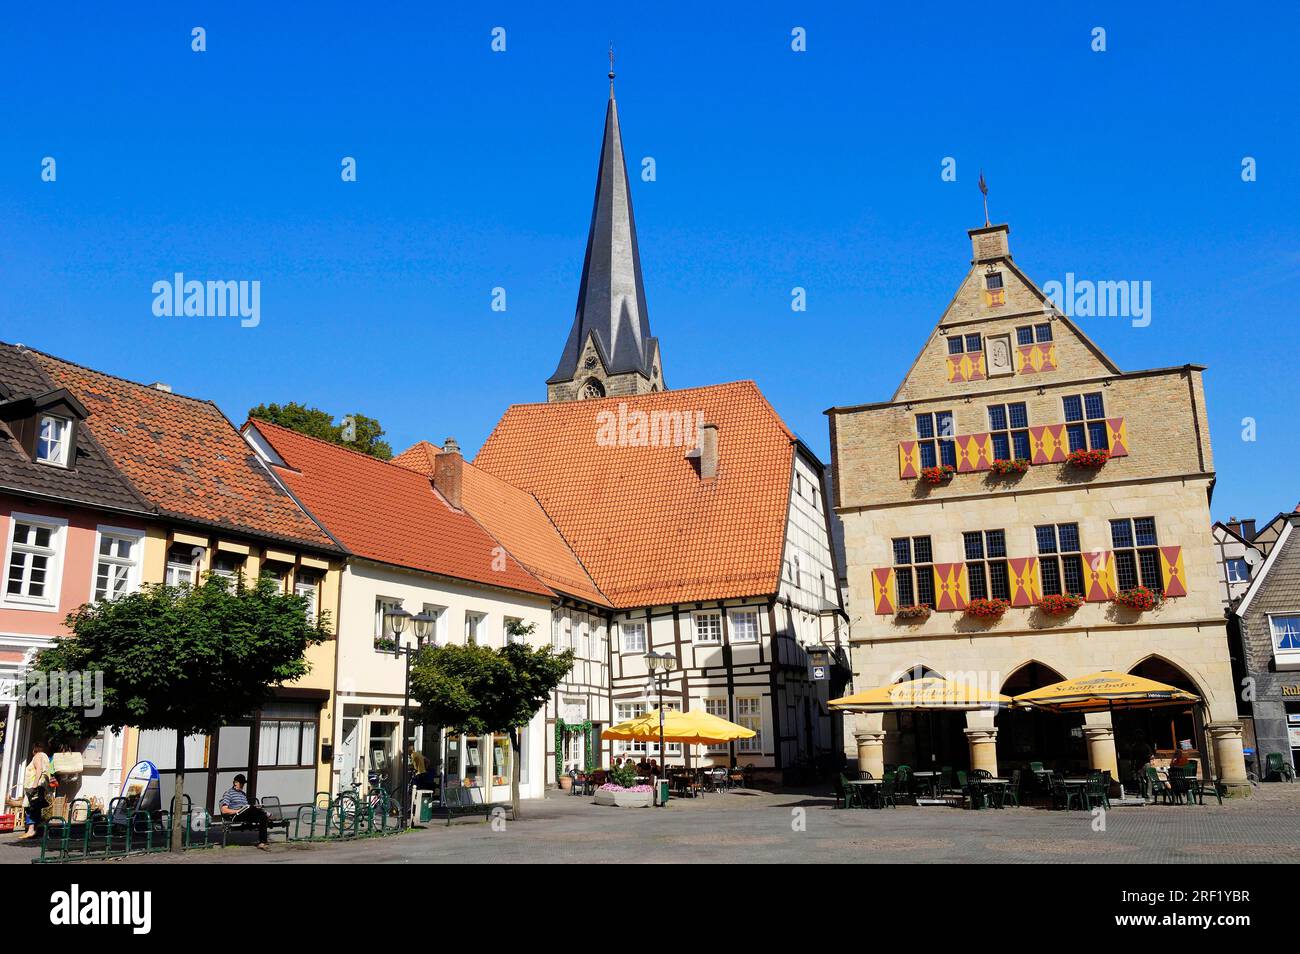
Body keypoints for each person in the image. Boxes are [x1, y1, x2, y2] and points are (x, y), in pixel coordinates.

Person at [219, 774, 271, 850]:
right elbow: (224, 810)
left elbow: (246, 806)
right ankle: (264, 812)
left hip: (245, 813)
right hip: (236, 815)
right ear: (235, 783)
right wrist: (237, 811)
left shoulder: (243, 794)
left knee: (262, 817)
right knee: (252, 809)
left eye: (243, 783)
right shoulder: (228, 793)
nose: (242, 785)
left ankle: (262, 842)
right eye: (241, 783)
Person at [19, 743, 51, 840]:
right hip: (42, 786)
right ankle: (35, 829)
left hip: (35, 785)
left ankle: (31, 830)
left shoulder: (37, 756)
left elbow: (39, 770)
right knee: (36, 806)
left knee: (30, 806)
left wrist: (34, 785)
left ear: (34, 750)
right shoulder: (45, 757)